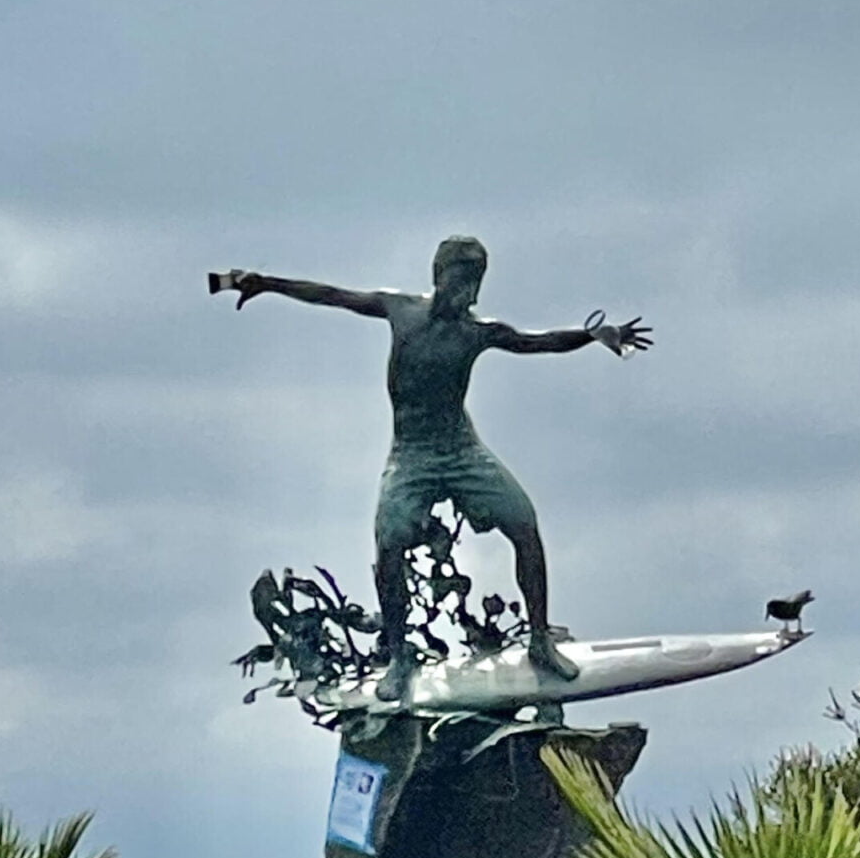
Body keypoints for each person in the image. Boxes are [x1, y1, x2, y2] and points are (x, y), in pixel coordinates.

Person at [212, 236, 652, 701]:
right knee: (389, 540)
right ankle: (399, 654)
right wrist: (265, 284)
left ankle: (540, 640)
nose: (473, 297)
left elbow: (538, 343)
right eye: (466, 284)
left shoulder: (478, 331)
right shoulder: (400, 311)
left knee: (523, 522)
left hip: (462, 451)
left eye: (478, 285)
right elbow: (330, 295)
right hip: (412, 455)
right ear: (442, 278)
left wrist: (593, 336)